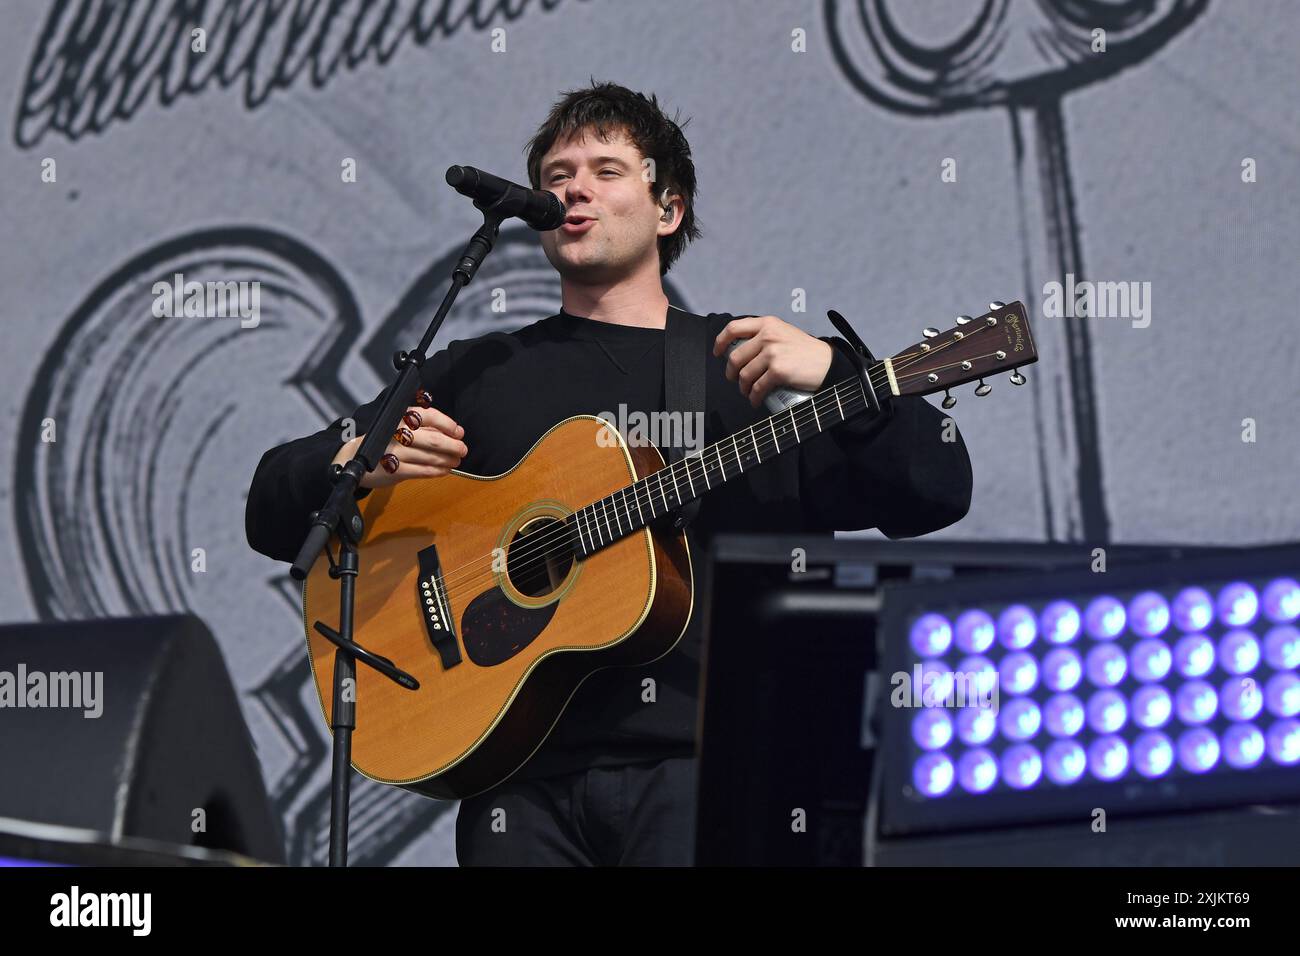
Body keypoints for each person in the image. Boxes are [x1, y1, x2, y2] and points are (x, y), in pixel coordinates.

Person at [245, 80, 973, 866]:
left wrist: (840, 375)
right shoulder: (481, 371)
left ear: (669, 210)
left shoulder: (748, 364)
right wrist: (362, 463)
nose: (574, 189)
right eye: (557, 177)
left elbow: (934, 489)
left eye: (606, 170)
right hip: (516, 783)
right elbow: (271, 506)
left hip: (706, 771)